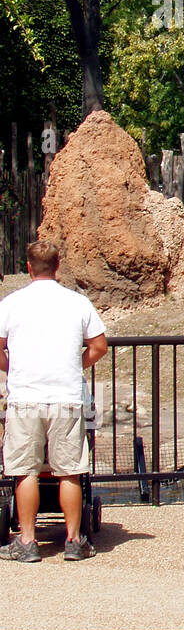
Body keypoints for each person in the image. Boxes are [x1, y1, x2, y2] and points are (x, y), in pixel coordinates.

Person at [0, 240, 107, 562]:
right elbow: (99, 346)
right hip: (66, 395)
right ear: (58, 266)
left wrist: (12, 367)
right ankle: (74, 540)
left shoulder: (11, 303)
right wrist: (77, 365)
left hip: (26, 396)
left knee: (25, 471)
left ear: (28, 266)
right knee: (69, 471)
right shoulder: (77, 302)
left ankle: (28, 540)